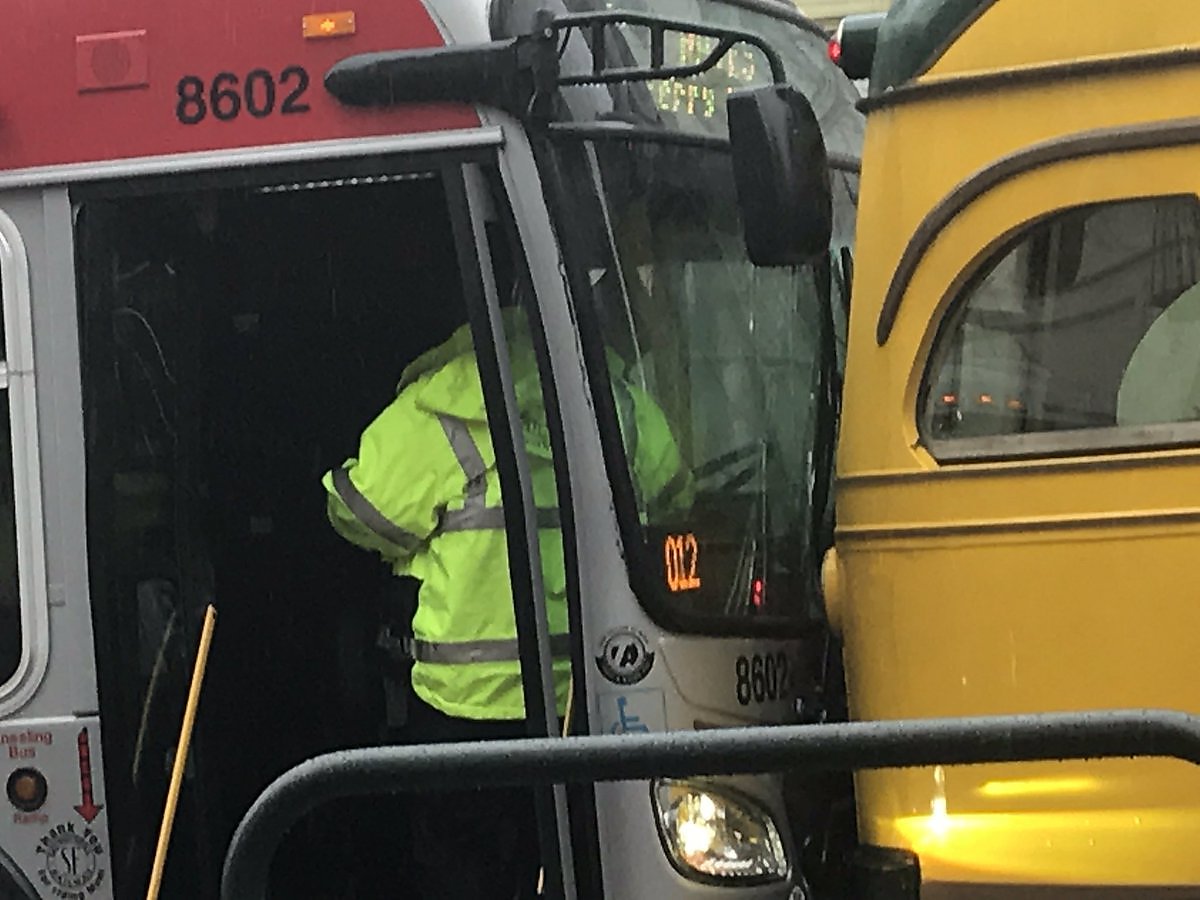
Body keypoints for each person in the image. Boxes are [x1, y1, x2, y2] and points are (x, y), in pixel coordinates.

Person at [321, 307, 690, 899]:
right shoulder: (614, 401)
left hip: (462, 707)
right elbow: (677, 501)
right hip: (584, 700)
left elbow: (356, 511)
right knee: (576, 867)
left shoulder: (439, 406)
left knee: (462, 874)